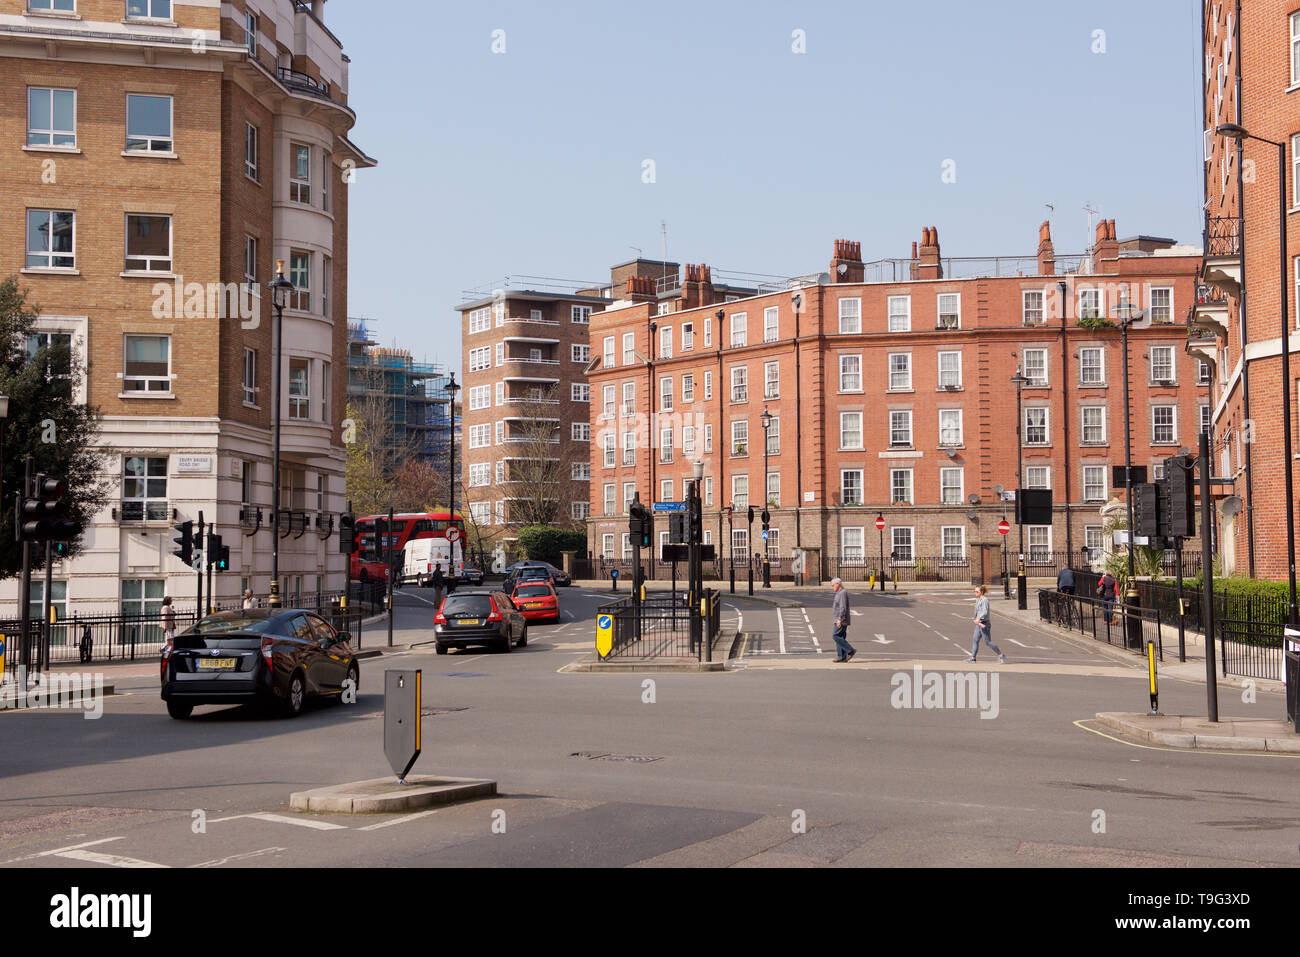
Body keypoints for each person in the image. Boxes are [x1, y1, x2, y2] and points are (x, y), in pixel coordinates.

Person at [967, 585, 1005, 664]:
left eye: (977, 591)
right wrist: (975, 619)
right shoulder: (978, 599)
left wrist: (978, 618)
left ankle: (1001, 655)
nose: (975, 593)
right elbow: (977, 611)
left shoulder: (985, 600)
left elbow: (984, 612)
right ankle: (973, 658)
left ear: (981, 592)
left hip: (985, 624)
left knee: (987, 642)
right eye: (975, 591)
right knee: (975, 640)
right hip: (979, 624)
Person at [830, 578, 856, 663]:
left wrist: (839, 619)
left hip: (841, 619)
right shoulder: (839, 593)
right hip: (838, 619)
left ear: (838, 584)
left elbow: (843, 607)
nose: (832, 587)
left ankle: (850, 650)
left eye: (833, 585)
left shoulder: (842, 593)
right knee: (840, 637)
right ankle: (842, 657)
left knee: (835, 636)